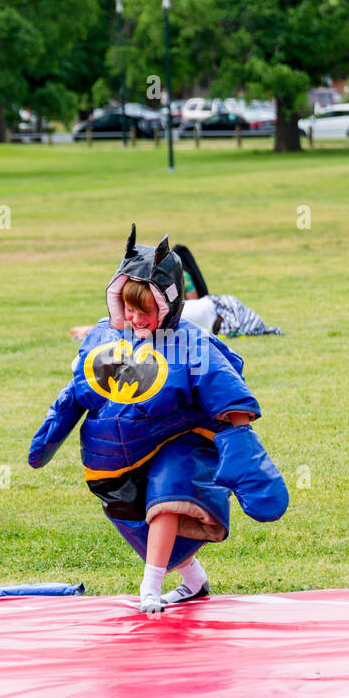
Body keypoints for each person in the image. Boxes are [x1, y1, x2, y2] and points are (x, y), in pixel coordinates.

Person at [29, 225, 287, 613]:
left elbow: (224, 388)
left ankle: (148, 588)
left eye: (143, 310)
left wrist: (242, 447)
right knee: (137, 514)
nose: (134, 318)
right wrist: (50, 435)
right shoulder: (106, 339)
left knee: (169, 498)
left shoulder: (191, 343)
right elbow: (77, 392)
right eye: (128, 309)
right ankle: (193, 580)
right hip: (122, 453)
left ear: (166, 304)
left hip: (180, 437)